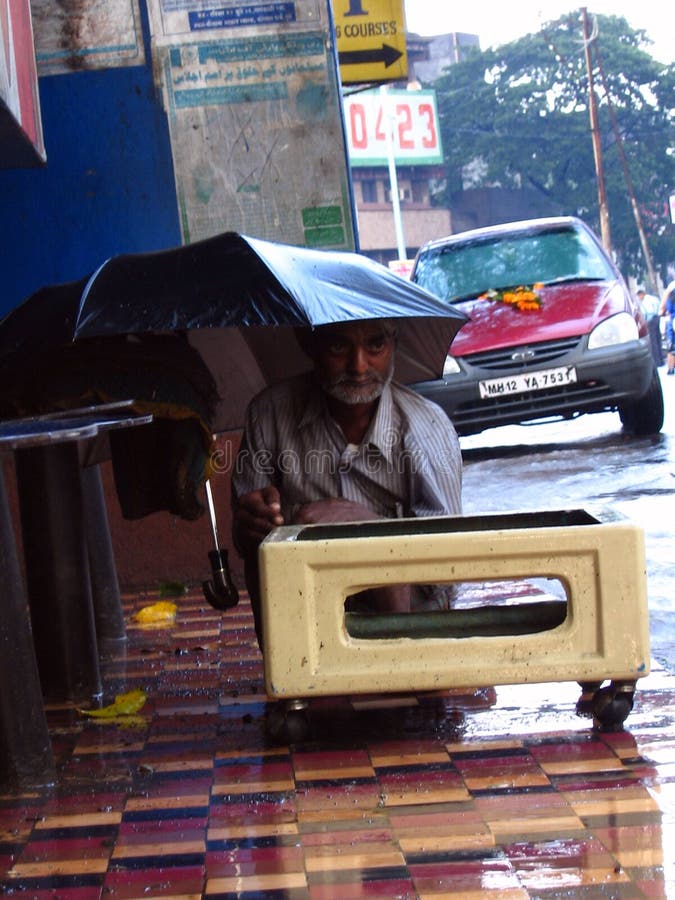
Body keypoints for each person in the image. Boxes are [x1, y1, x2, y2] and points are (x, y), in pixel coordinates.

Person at [231, 318, 463, 646]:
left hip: (410, 634)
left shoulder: (427, 428)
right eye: (339, 346)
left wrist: (367, 529)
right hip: (307, 633)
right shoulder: (269, 415)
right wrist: (251, 525)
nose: (358, 366)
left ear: (394, 344)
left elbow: (450, 567)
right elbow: (247, 543)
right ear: (309, 344)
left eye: (375, 345)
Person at [636, 286, 663, 366]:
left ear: (641, 294)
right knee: (658, 339)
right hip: (657, 318)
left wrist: (646, 321)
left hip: (651, 321)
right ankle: (661, 360)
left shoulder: (645, 301)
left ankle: (657, 362)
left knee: (653, 341)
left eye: (638, 295)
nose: (638, 298)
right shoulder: (654, 298)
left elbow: (648, 312)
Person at [659, 280, 675, 375]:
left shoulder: (670, 296)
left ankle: (670, 368)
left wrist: (662, 313)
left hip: (672, 322)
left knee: (671, 347)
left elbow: (662, 310)